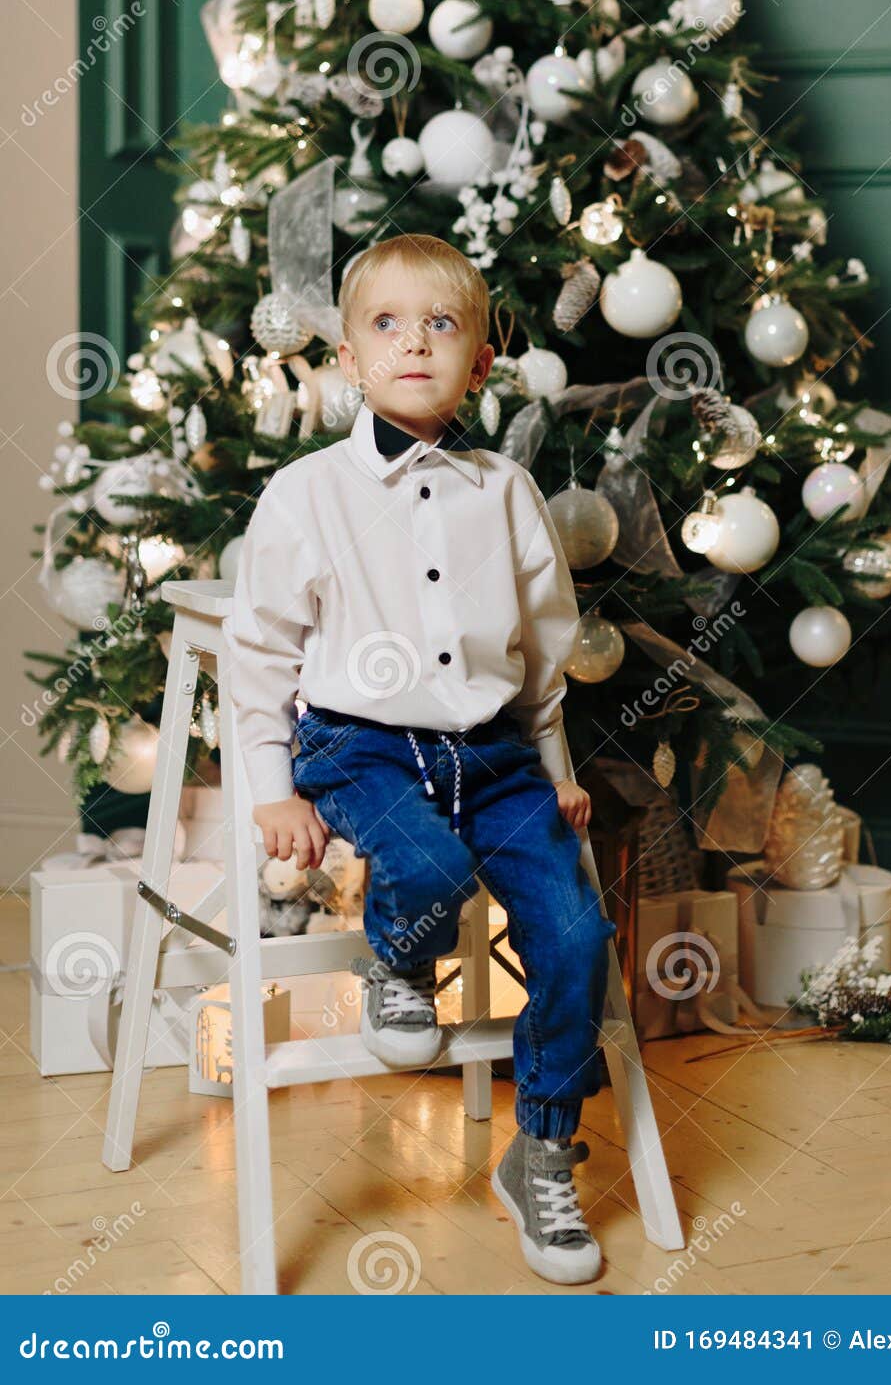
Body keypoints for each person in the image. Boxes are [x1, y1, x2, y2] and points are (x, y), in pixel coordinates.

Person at [225, 233, 616, 1285]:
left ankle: (538, 1150)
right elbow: (257, 654)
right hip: (360, 747)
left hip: (497, 755)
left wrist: (556, 762)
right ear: (349, 358)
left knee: (580, 935)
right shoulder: (306, 496)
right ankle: (398, 961)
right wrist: (270, 793)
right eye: (387, 324)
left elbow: (542, 657)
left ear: (480, 364)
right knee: (431, 870)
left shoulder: (509, 494)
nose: (414, 344)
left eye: (442, 325)